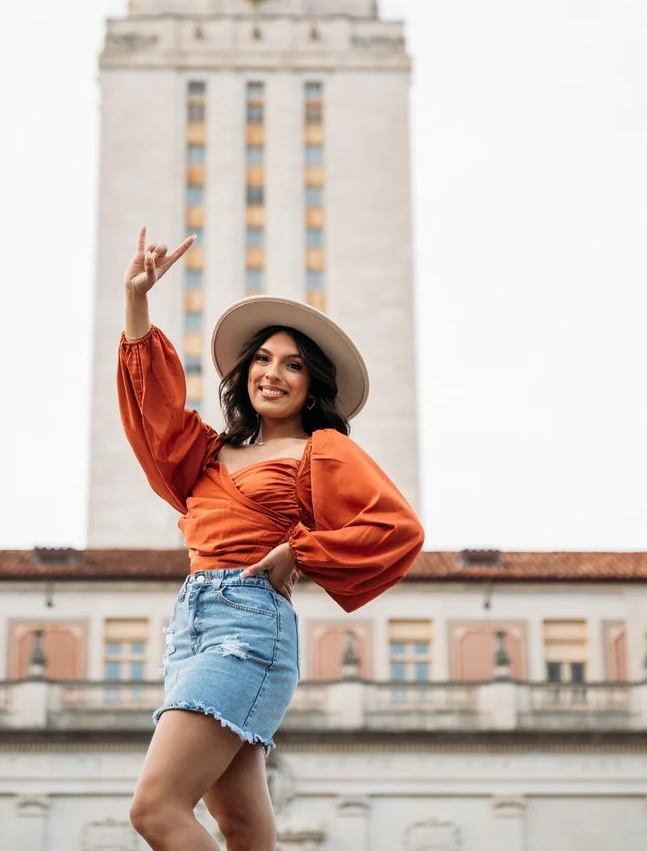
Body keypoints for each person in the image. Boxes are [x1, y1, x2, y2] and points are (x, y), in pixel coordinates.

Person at [118, 227, 424, 851]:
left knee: (155, 809)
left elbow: (396, 528)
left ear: (313, 384)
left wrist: (301, 551)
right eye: (262, 359)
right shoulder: (204, 452)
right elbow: (154, 416)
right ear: (244, 370)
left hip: (249, 625)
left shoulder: (323, 449)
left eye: (293, 365)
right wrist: (137, 302)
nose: (273, 374)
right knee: (245, 831)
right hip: (192, 627)